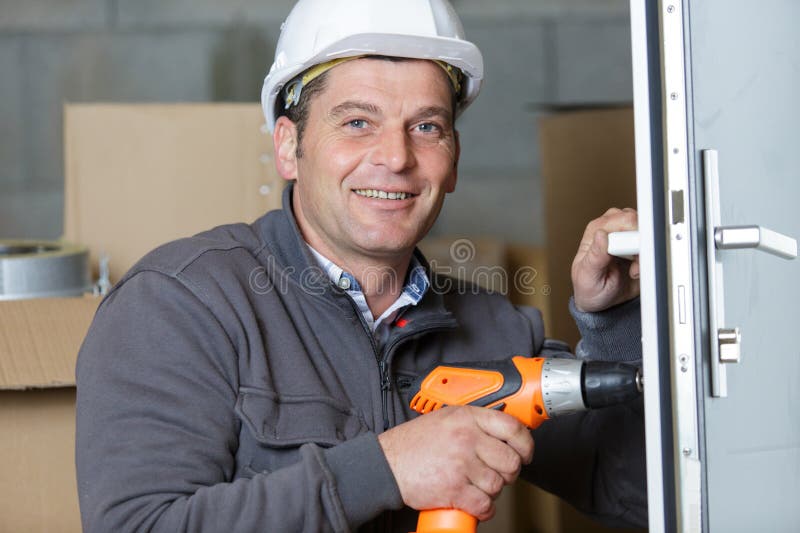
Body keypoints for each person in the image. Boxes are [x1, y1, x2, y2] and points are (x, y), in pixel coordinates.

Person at [75, 0, 646, 531]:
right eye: (356, 122)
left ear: (452, 162)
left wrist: (615, 322)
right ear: (287, 146)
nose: (396, 158)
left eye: (426, 127)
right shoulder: (182, 304)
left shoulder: (494, 330)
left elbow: (640, 497)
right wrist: (385, 470)